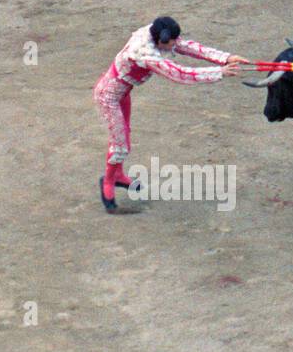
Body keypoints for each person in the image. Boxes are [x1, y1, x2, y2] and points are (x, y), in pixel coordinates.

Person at [94, 16, 249, 211]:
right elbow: (180, 74)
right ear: (161, 40)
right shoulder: (145, 54)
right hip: (108, 97)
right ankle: (108, 181)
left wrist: (226, 57)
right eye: (172, 41)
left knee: (124, 138)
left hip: (122, 93)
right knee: (120, 145)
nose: (176, 44)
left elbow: (187, 46)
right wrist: (220, 72)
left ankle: (118, 175)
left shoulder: (155, 32)